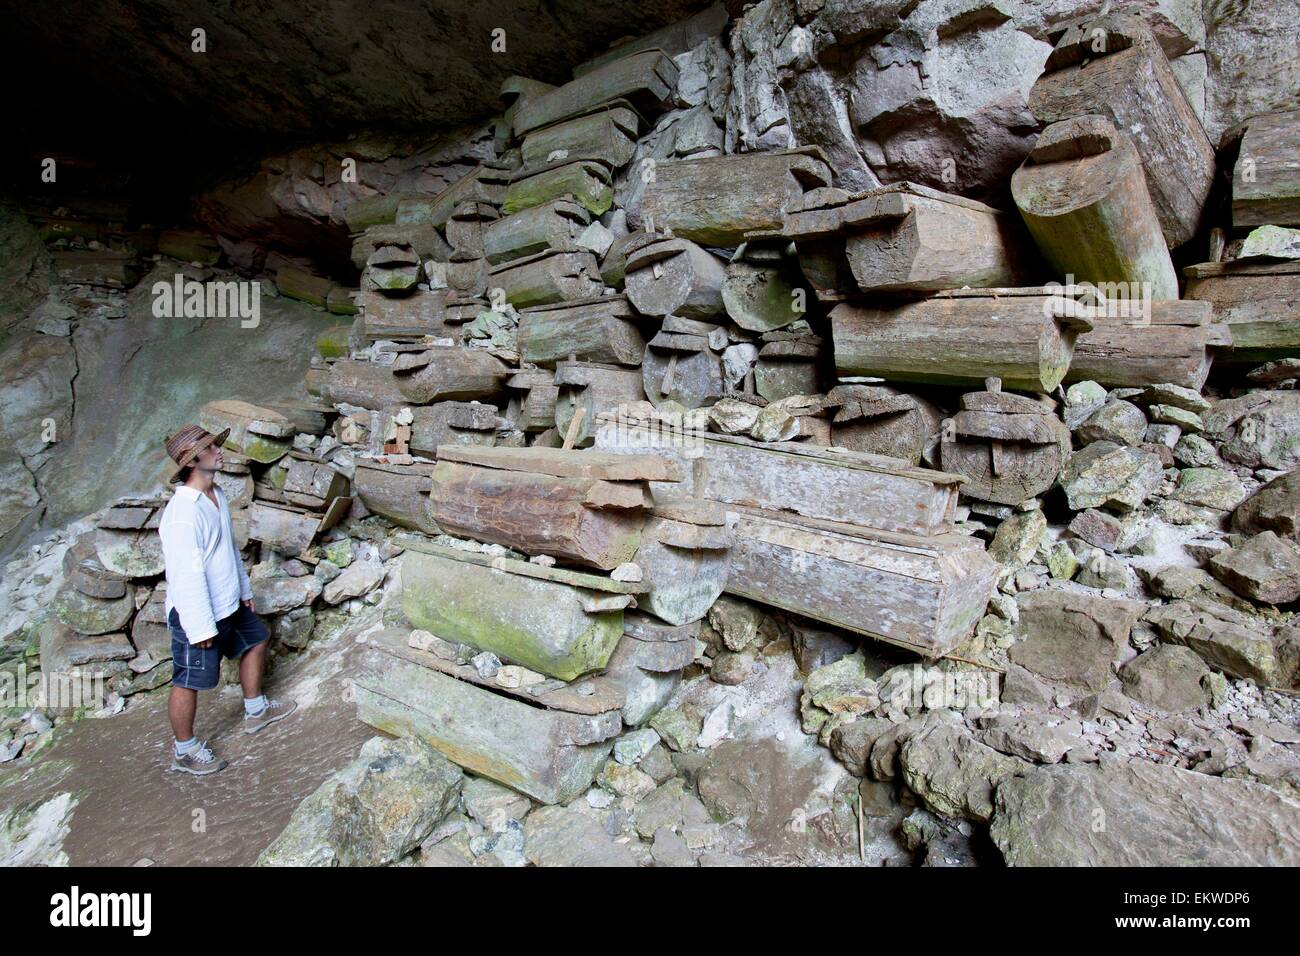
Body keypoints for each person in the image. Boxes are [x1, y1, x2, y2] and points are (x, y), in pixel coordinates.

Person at [158, 424, 297, 775]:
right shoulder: (183, 514)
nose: (219, 451)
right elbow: (185, 575)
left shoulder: (215, 494)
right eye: (210, 448)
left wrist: (244, 592)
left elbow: (228, 551)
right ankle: (185, 750)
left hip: (228, 603)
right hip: (199, 614)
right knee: (189, 679)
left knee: (258, 639)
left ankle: (256, 709)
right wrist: (200, 625)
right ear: (193, 461)